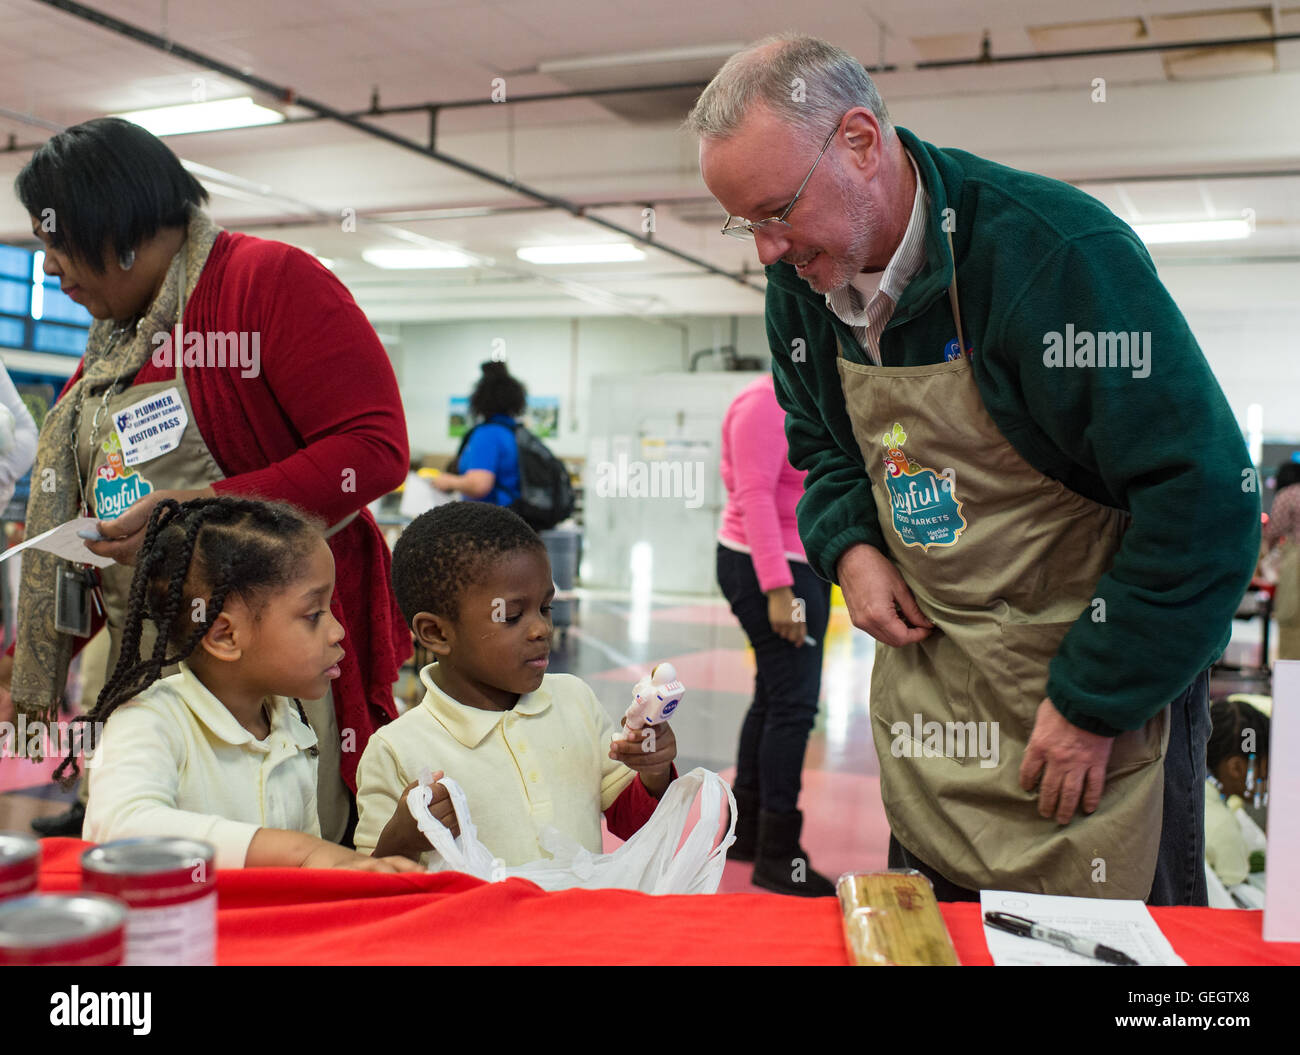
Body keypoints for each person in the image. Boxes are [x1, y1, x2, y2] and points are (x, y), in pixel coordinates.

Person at [689, 35, 1260, 905]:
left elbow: (1208, 498)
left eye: (777, 212)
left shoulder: (1055, 257)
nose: (766, 252)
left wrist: (1095, 701)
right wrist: (849, 548)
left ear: (860, 142)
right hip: (938, 684)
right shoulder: (804, 282)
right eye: (746, 225)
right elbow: (819, 442)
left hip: (1096, 681)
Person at [3, 117, 411, 843]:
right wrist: (23, 666)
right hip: (149, 660)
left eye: (57, 243)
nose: (52, 270)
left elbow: (373, 447)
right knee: (150, 850)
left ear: (115, 224)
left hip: (271, 657)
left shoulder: (265, 282)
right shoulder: (113, 345)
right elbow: (102, 510)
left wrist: (199, 506)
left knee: (287, 844)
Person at [77, 496, 417, 873]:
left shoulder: (294, 732)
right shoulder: (148, 721)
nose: (338, 632)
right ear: (225, 636)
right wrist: (300, 853)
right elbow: (119, 830)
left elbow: (304, 886)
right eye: (313, 614)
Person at [353, 501, 676, 866]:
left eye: (545, 607)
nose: (541, 629)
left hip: (578, 921)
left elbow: (635, 823)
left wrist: (653, 771)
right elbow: (374, 883)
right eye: (511, 616)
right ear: (436, 632)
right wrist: (402, 839)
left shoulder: (575, 701)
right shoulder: (395, 750)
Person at [716, 373, 832, 896]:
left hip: (796, 561)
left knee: (773, 697)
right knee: (794, 706)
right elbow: (755, 496)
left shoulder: (806, 395)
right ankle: (779, 854)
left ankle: (747, 832)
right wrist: (780, 590)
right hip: (773, 566)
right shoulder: (763, 403)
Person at [433, 361, 523, 505]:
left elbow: (479, 485)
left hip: (493, 519)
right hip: (514, 517)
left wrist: (447, 481)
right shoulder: (513, 432)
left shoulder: (488, 434)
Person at [1205, 699, 1269, 888]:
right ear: (1237, 768)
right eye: (1265, 769)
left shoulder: (1191, 797)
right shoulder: (1223, 827)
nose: (1268, 780)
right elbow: (1237, 897)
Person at [1264, 462, 1300, 660]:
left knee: (1292, 620)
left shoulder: (1288, 494)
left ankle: (1293, 681)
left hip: (1297, 563)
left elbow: (1274, 531)